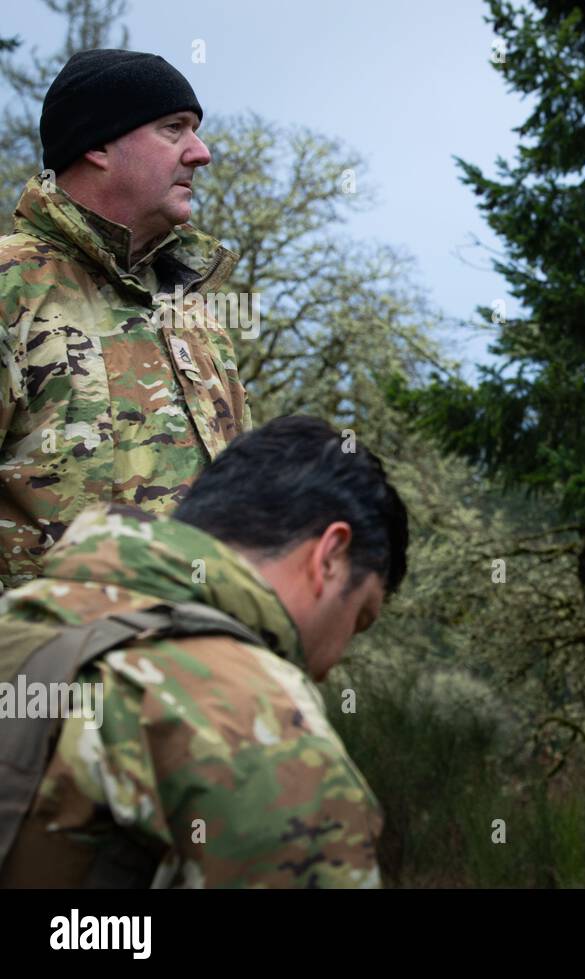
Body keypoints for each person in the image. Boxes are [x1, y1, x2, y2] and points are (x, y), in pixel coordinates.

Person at [0, 415, 407, 888]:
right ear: (330, 556)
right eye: (359, 618)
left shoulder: (17, 620)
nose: (327, 670)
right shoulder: (263, 720)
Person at [0, 48, 251, 593]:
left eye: (196, 130)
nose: (201, 153)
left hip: (194, 668)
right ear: (97, 145)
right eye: (173, 129)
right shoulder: (9, 288)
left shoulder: (194, 314)